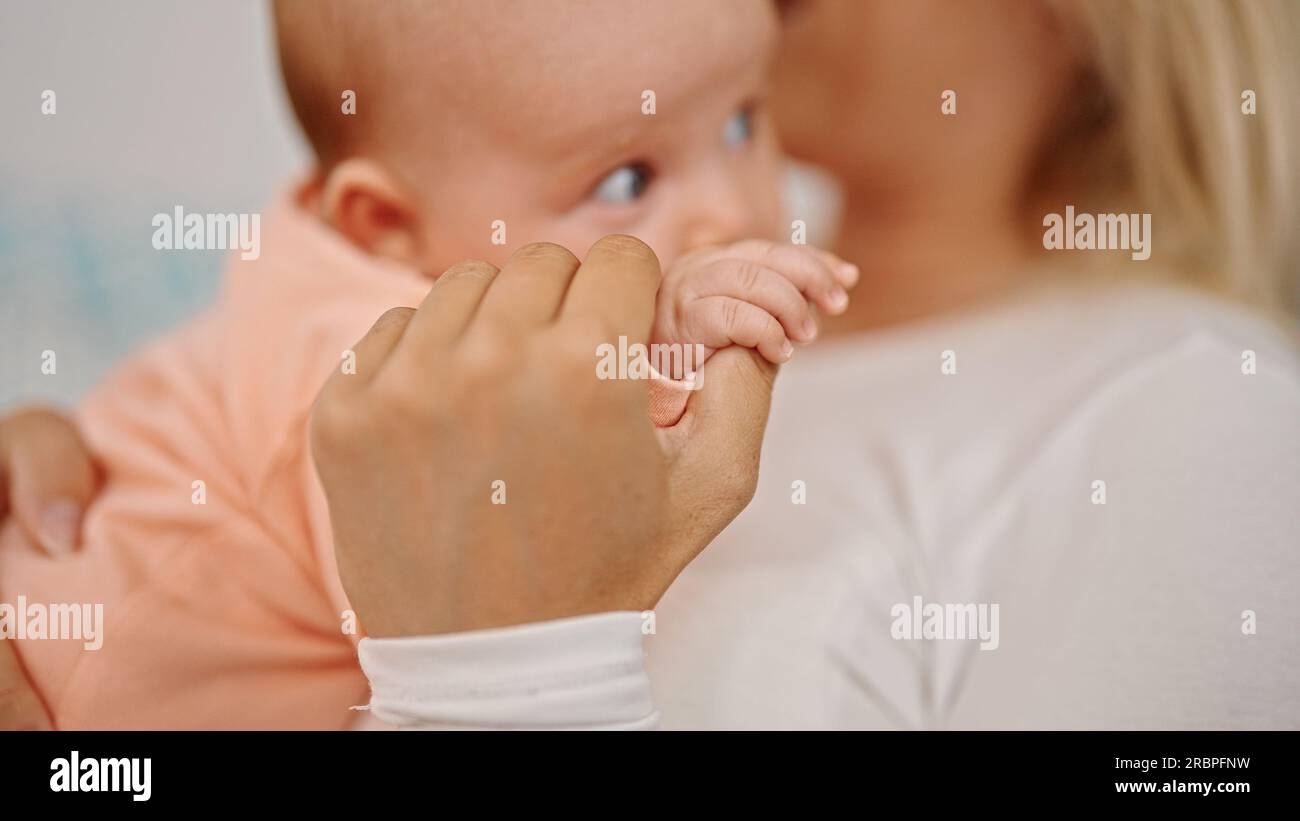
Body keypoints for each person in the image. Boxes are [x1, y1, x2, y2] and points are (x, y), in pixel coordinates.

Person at [4, 0, 1299, 730]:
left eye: (737, 123)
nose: (722, 199)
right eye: (624, 174)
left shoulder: (1190, 424)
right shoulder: (477, 258)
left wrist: (502, 682)